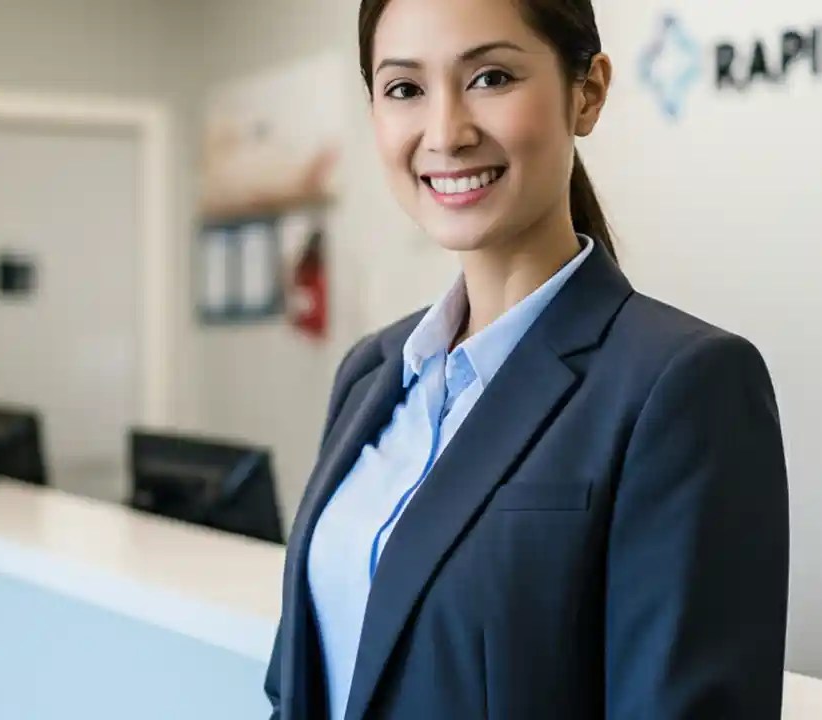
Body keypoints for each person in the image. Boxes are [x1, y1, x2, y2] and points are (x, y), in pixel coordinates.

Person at [263, 0, 790, 717]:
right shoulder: (372, 373)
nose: (445, 133)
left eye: (491, 78)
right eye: (405, 88)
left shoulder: (683, 387)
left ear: (588, 92)